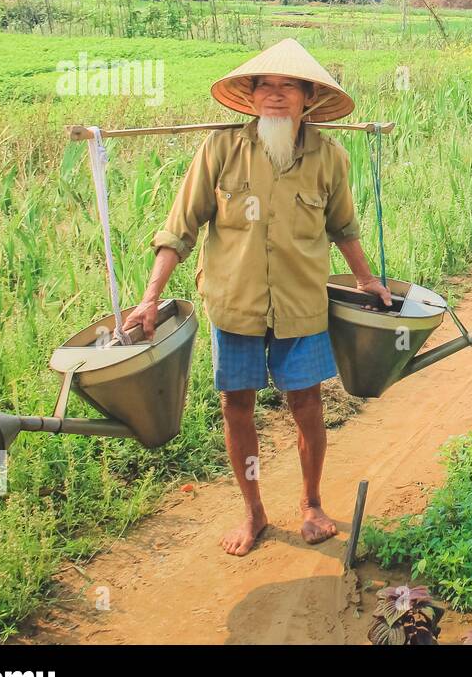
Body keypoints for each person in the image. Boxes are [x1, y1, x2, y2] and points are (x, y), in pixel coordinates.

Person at [125, 38, 392, 556]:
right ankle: (253, 512)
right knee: (236, 406)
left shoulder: (330, 158)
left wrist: (366, 280)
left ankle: (312, 503)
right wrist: (149, 296)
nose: (274, 96)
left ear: (308, 98)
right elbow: (178, 230)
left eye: (287, 86)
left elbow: (343, 227)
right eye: (264, 86)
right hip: (234, 304)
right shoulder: (220, 150)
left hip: (301, 304)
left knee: (307, 404)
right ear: (248, 97)